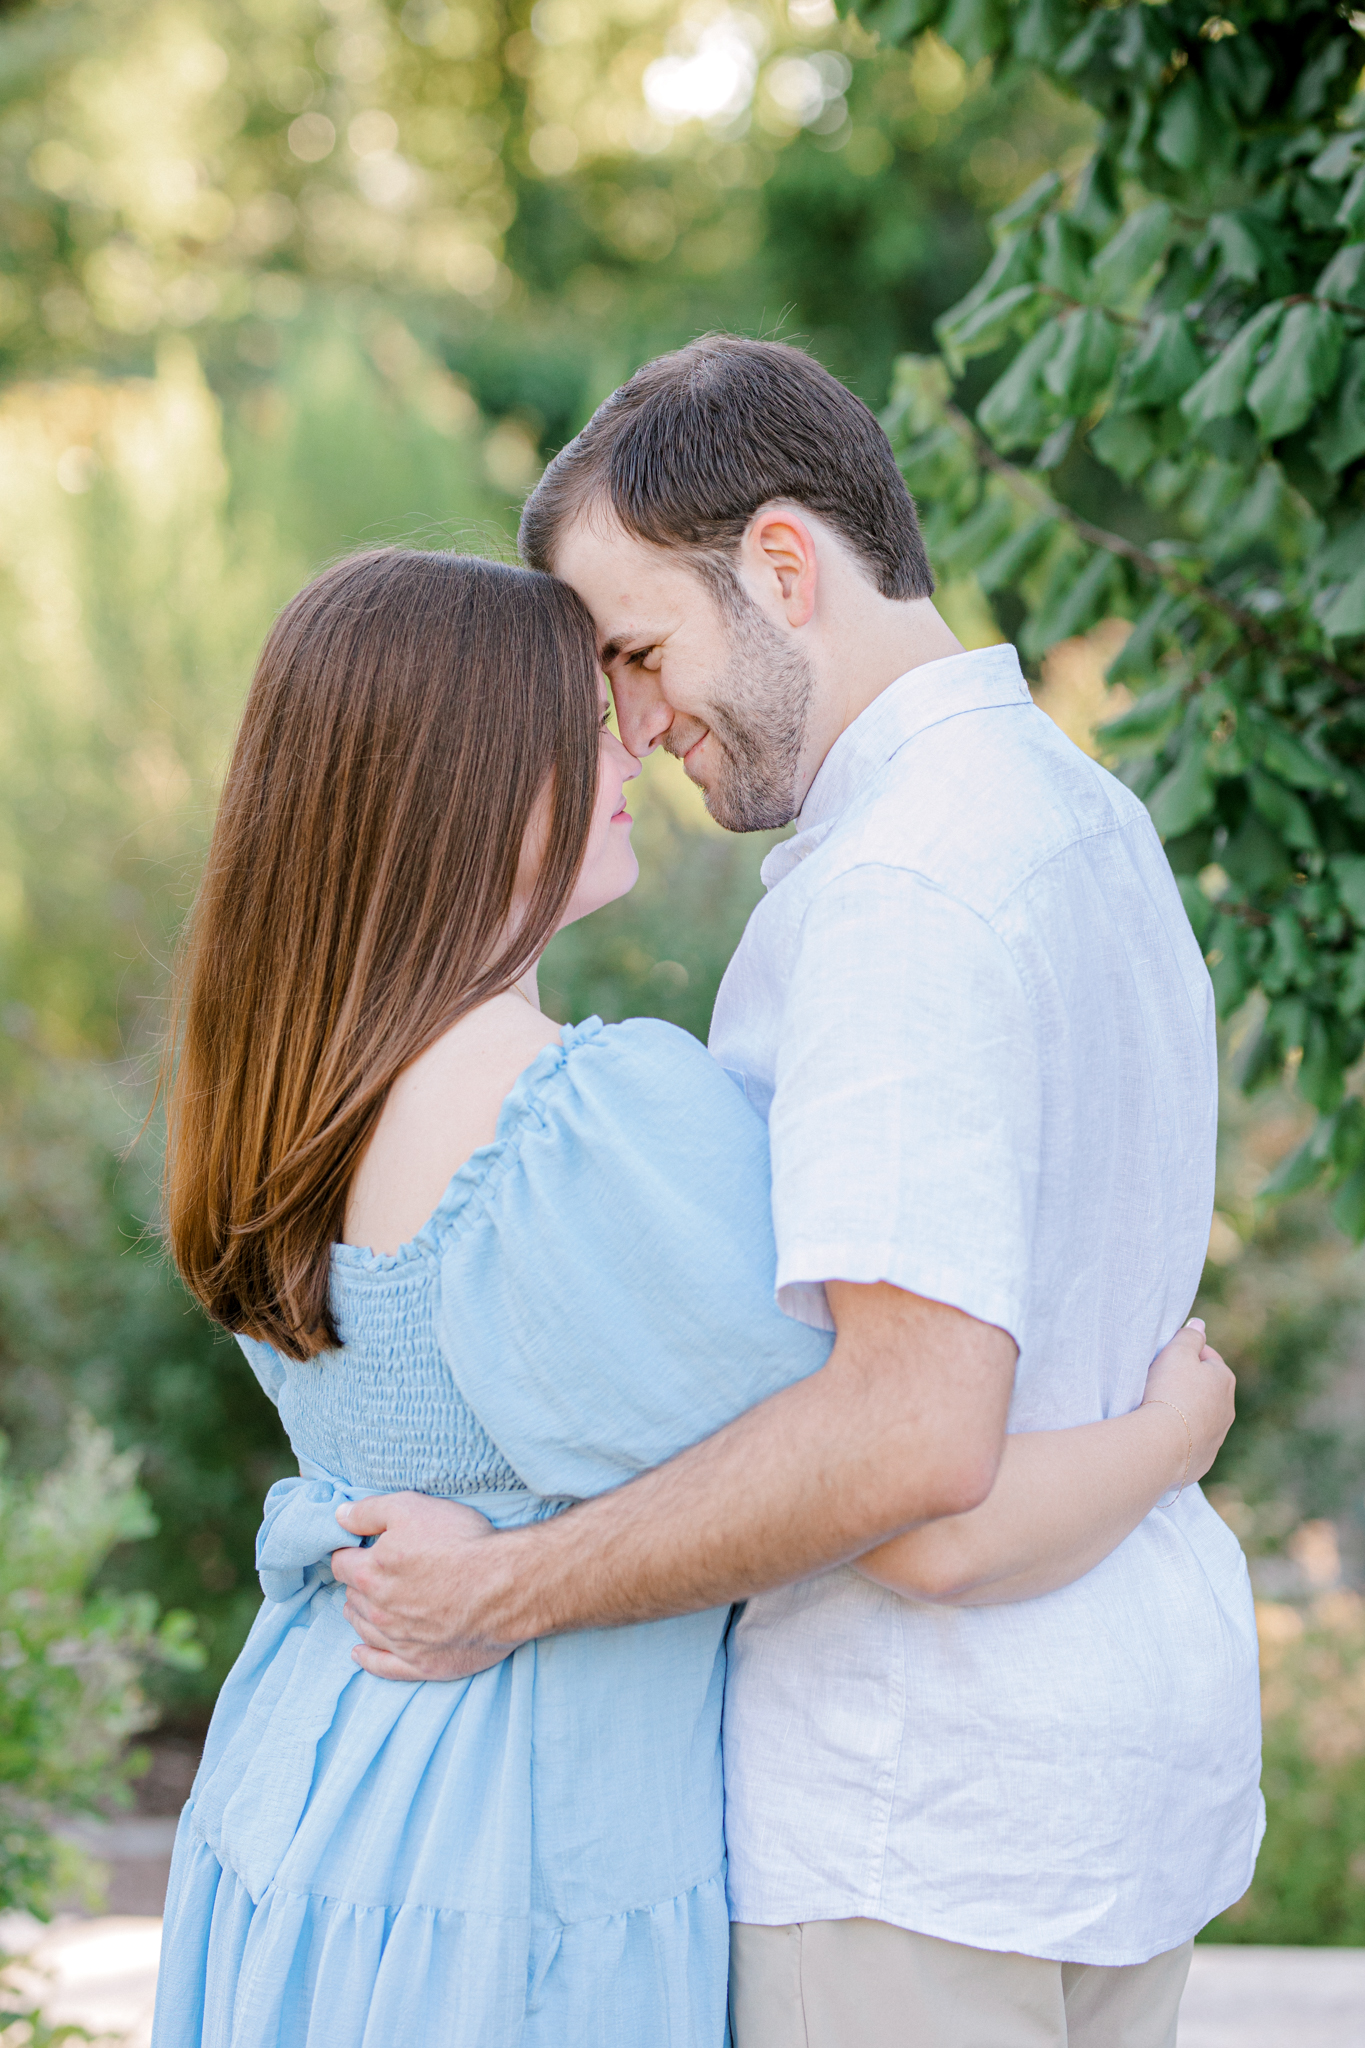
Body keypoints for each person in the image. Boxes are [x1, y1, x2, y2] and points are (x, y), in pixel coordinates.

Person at [153, 543, 1233, 2048]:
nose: (632, 746)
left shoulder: (293, 1091)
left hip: (313, 1801)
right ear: (465, 778)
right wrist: (1174, 1433)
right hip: (513, 1853)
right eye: (578, 723)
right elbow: (914, 1498)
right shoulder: (568, 1124)